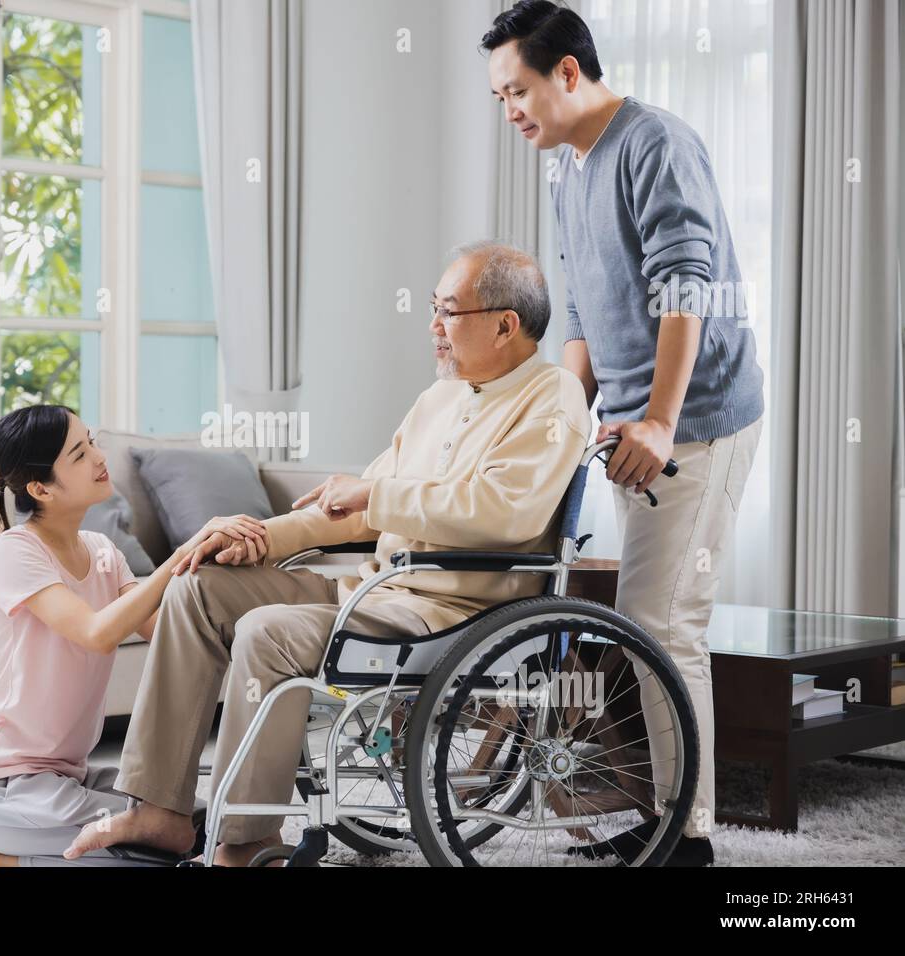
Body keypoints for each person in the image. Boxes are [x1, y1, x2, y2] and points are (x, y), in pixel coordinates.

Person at [64, 241, 592, 866]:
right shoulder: (440, 398)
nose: (433, 327)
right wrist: (259, 537)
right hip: (376, 592)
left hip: (452, 611)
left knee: (266, 631)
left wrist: (375, 493)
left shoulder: (553, 395)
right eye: (432, 309)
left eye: (447, 311)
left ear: (506, 324)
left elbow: (507, 512)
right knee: (195, 586)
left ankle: (247, 836)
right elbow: (352, 510)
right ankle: (159, 811)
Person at [482, 0, 765, 865]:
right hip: (629, 423)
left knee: (666, 620)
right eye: (499, 99)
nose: (511, 111)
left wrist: (661, 419)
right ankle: (666, 814)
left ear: (568, 70)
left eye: (518, 90)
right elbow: (583, 314)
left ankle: (688, 840)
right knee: (646, 620)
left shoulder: (654, 143)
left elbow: (688, 287)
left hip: (696, 419)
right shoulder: (567, 168)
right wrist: (561, 420)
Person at [0, 403, 267, 866]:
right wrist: (183, 549)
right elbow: (96, 633)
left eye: (92, 442)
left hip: (67, 778)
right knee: (151, 848)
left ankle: (8, 854)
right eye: (79, 454)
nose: (100, 458)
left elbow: (168, 635)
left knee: (202, 824)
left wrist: (238, 596)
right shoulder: (14, 553)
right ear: (41, 488)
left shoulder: (103, 551)